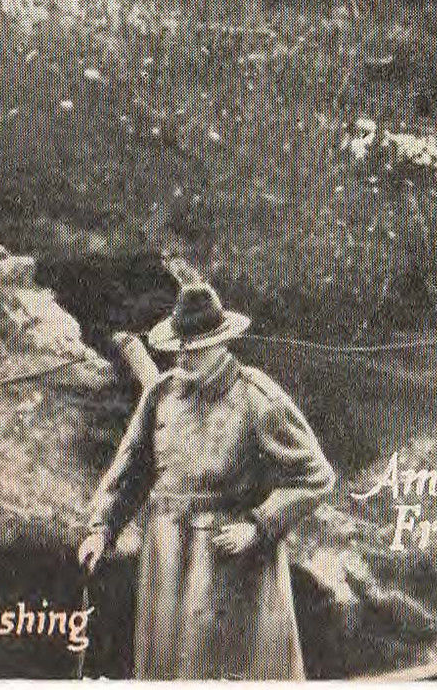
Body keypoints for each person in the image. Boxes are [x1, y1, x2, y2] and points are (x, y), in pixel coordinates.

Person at [78, 264, 335, 678]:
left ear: (221, 345)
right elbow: (131, 470)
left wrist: (260, 524)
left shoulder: (256, 396)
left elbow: (316, 475)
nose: (186, 359)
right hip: (165, 557)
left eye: (196, 349)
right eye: (182, 349)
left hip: (227, 563)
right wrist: (101, 529)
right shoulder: (161, 395)